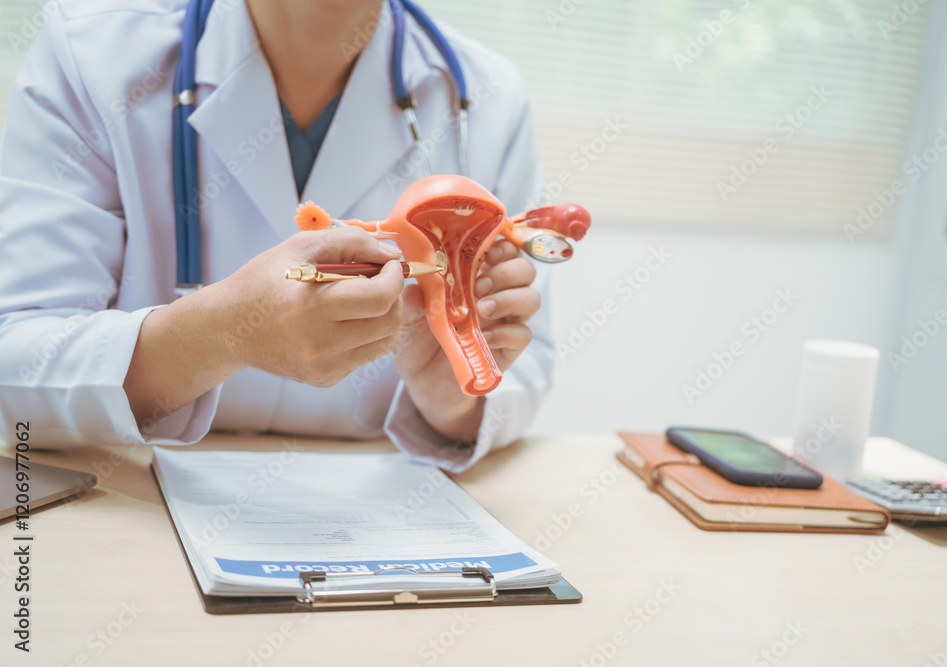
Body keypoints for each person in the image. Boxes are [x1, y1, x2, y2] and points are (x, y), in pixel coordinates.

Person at [0, 0, 554, 472]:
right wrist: (217, 335)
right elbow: (14, 363)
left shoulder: (487, 93)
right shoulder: (89, 55)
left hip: (374, 503)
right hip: (132, 489)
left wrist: (450, 403)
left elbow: (524, 362)